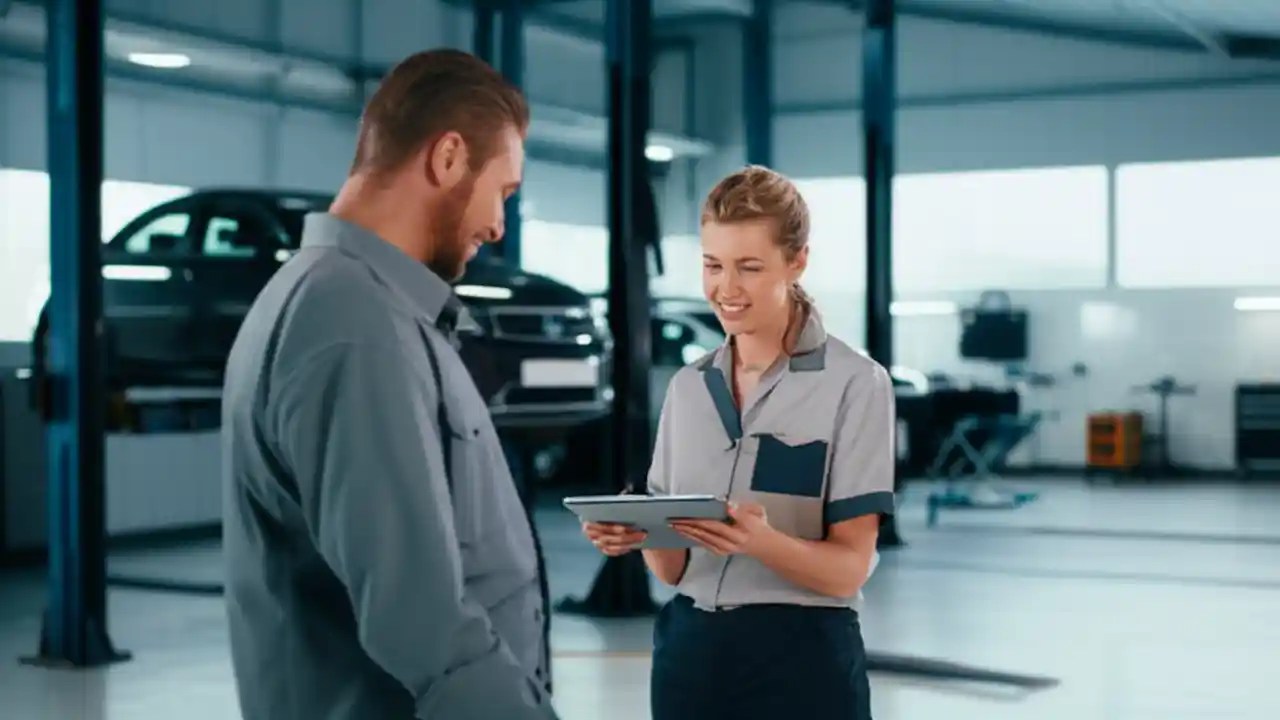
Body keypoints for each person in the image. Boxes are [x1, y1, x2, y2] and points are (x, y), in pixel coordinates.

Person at [221, 49, 557, 720]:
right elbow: (425, 621)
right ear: (449, 158)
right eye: (505, 192)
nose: (497, 225)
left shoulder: (363, 304)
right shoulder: (349, 319)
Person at [583, 166, 895, 720]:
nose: (726, 289)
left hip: (802, 662)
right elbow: (675, 571)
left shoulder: (856, 384)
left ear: (796, 261)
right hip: (690, 658)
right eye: (713, 265)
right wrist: (639, 532)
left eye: (750, 268)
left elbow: (849, 569)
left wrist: (758, 541)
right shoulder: (687, 388)